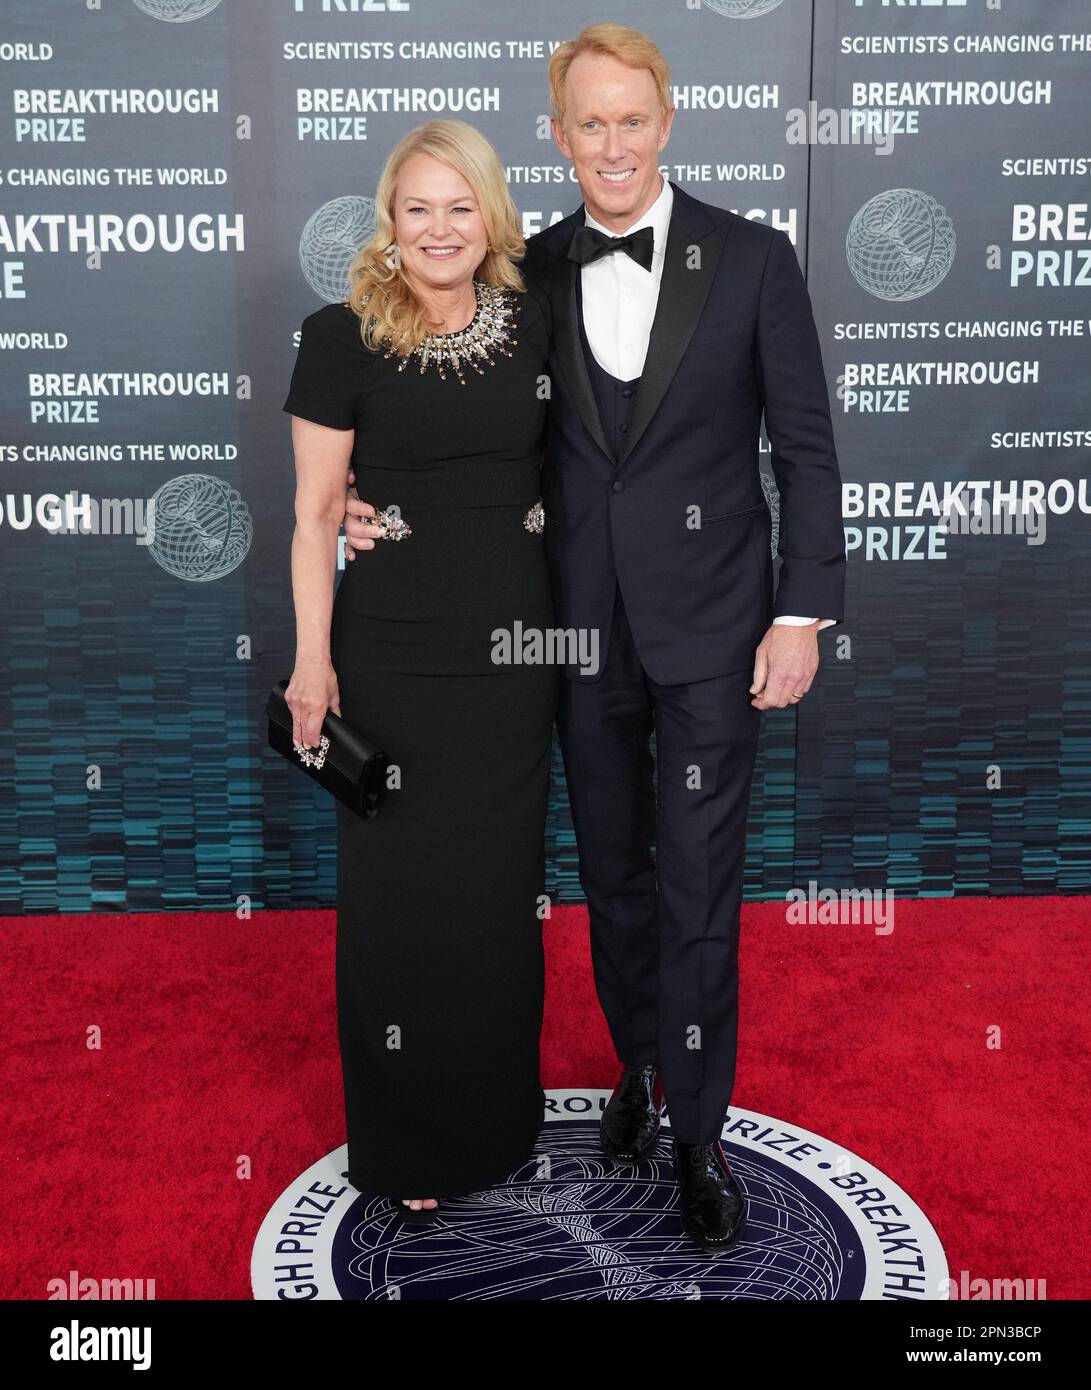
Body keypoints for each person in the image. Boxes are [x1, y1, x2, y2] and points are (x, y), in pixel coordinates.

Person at [344, 23, 846, 1254]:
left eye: (632, 120)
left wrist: (800, 610)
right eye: (588, 123)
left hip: (718, 633)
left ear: (663, 122)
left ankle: (699, 1132)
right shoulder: (529, 272)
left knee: (696, 882)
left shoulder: (752, 259)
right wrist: (357, 506)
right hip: (567, 639)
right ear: (557, 134)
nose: (611, 144)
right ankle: (637, 1064)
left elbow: (805, 449)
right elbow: (439, 405)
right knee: (612, 877)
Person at [282, 118, 557, 1221]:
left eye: (460, 206)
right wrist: (312, 665)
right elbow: (311, 515)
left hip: (517, 653)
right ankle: (407, 1144)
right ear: (387, 222)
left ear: (489, 217)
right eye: (416, 207)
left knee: (494, 896)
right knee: (400, 900)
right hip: (392, 653)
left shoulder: (540, 319)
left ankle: (494, 1118)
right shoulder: (338, 335)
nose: (439, 228)